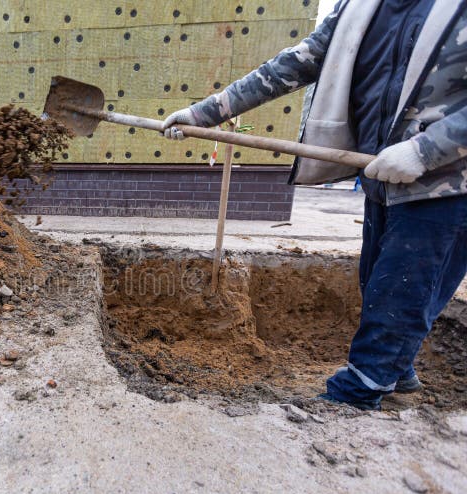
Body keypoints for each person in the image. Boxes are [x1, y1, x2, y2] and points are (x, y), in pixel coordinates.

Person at [163, 0, 467, 410]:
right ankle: (398, 371)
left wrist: (428, 150)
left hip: (447, 187)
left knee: (398, 297)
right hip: (383, 177)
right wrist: (206, 113)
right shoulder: (362, 8)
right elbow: (291, 64)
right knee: (377, 286)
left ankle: (356, 396)